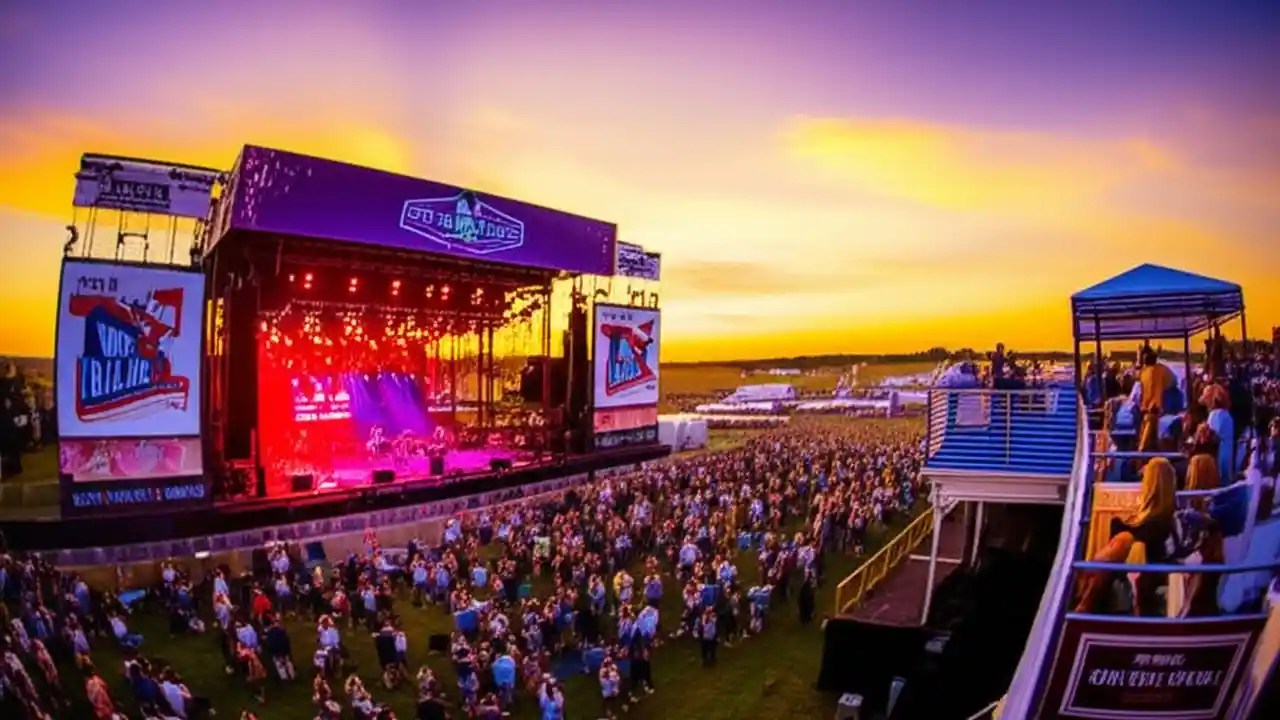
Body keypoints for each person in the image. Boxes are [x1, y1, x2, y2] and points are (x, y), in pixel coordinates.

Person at [1074, 458, 1176, 614]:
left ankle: (1085, 600)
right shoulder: (1156, 515)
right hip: (1134, 560)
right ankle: (1086, 598)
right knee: (1119, 543)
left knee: (1122, 540)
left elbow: (1145, 536)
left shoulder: (1161, 520)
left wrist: (1120, 526)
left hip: (1150, 563)